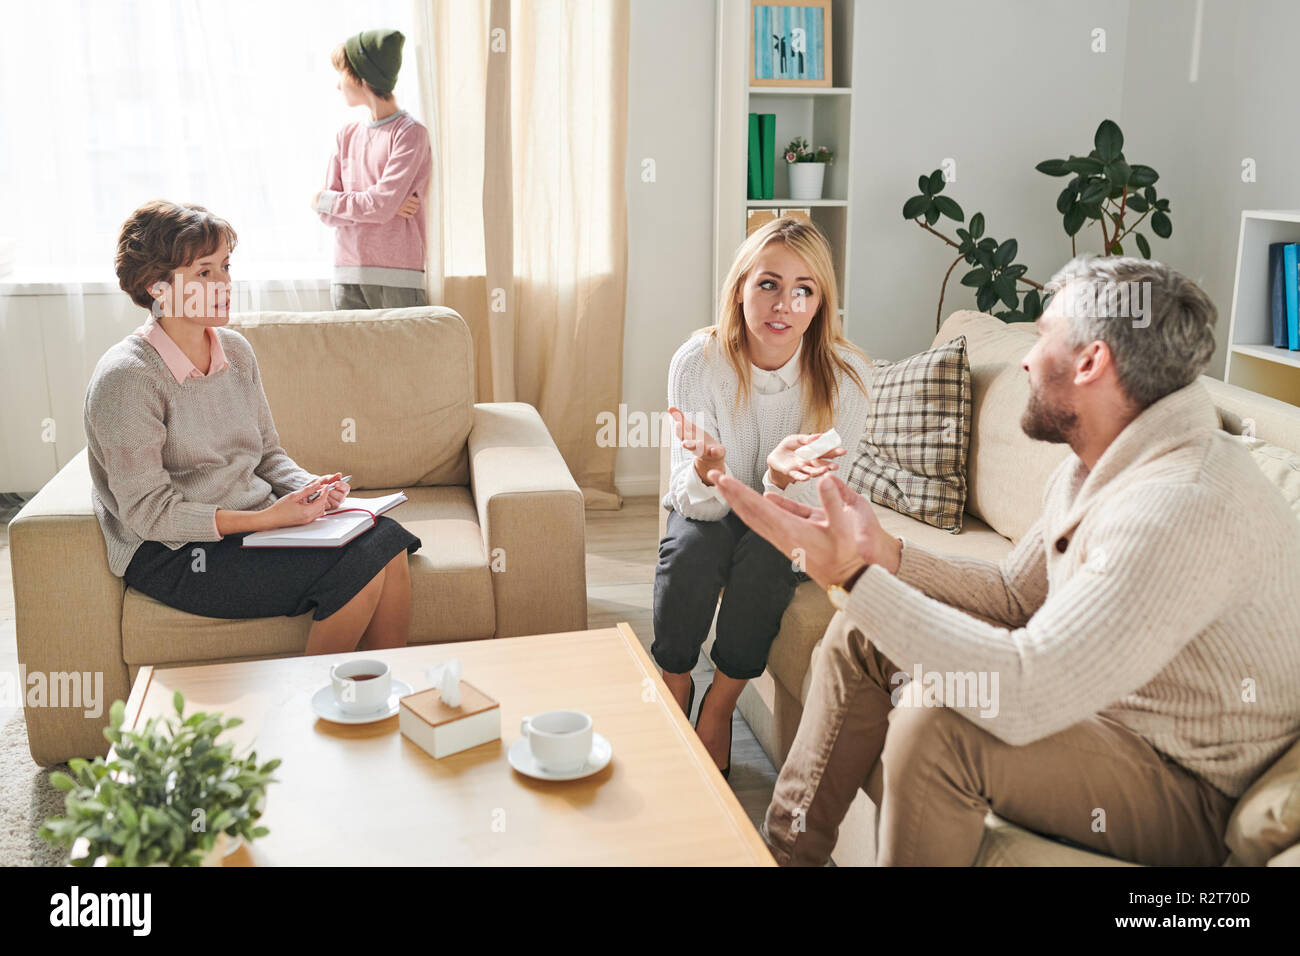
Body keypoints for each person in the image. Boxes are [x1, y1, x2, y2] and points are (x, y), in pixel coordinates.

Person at [711, 255, 1300, 865]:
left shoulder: (1174, 505)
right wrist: (883, 554)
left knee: (935, 727)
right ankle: (784, 855)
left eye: (1043, 335)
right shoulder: (1103, 458)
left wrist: (853, 577)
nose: (1026, 358)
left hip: (1188, 780)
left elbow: (1024, 694)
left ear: (1091, 362)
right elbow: (1018, 596)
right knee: (864, 630)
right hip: (1109, 708)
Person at [86, 200, 420, 655]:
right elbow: (147, 513)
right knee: (363, 561)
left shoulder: (235, 351)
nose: (224, 282)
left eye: (225, 266)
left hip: (252, 525)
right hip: (176, 551)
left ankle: (382, 698)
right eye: (204, 273)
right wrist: (265, 519)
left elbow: (267, 455)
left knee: (385, 539)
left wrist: (311, 491)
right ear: (156, 287)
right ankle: (317, 708)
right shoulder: (127, 378)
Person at [655, 216, 873, 778]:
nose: (784, 304)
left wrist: (772, 485)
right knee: (693, 550)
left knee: (768, 558)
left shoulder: (847, 381)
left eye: (805, 290)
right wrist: (711, 474)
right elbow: (691, 501)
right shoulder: (698, 362)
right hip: (709, 505)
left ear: (821, 304)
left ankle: (720, 704)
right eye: (769, 283)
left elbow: (804, 512)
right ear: (741, 288)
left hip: (790, 518)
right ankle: (674, 685)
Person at [313, 28, 432, 311]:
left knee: (403, 357)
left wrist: (328, 200)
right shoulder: (346, 134)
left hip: (398, 276)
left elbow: (376, 205)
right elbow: (325, 214)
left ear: (362, 78)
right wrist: (380, 205)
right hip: (345, 274)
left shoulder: (410, 133)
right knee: (349, 357)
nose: (338, 86)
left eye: (341, 74)